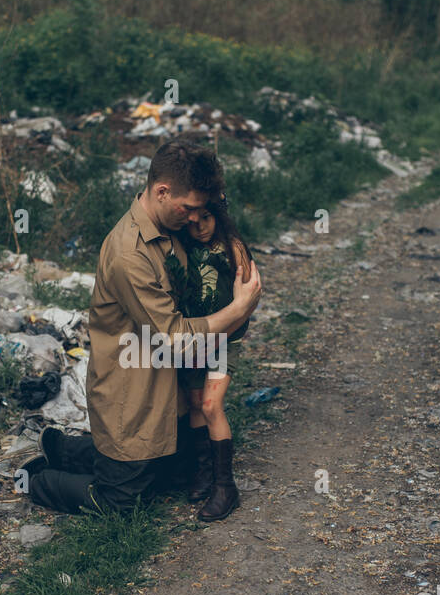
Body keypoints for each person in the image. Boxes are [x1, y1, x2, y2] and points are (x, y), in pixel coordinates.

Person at [25, 138, 262, 515]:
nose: (193, 219)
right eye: (189, 209)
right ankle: (37, 479)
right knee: (121, 501)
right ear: (162, 191)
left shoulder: (173, 223)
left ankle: (61, 448)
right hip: (134, 397)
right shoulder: (128, 254)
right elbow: (175, 340)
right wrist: (240, 309)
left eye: (201, 211)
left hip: (171, 393)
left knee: (174, 476)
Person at [171, 194, 254, 521]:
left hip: (223, 338)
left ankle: (225, 486)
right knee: (194, 403)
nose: (201, 227)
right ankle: (202, 472)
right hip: (193, 339)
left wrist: (228, 330)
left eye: (207, 218)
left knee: (210, 405)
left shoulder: (232, 247)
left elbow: (248, 298)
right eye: (193, 222)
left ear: (217, 215)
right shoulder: (183, 249)